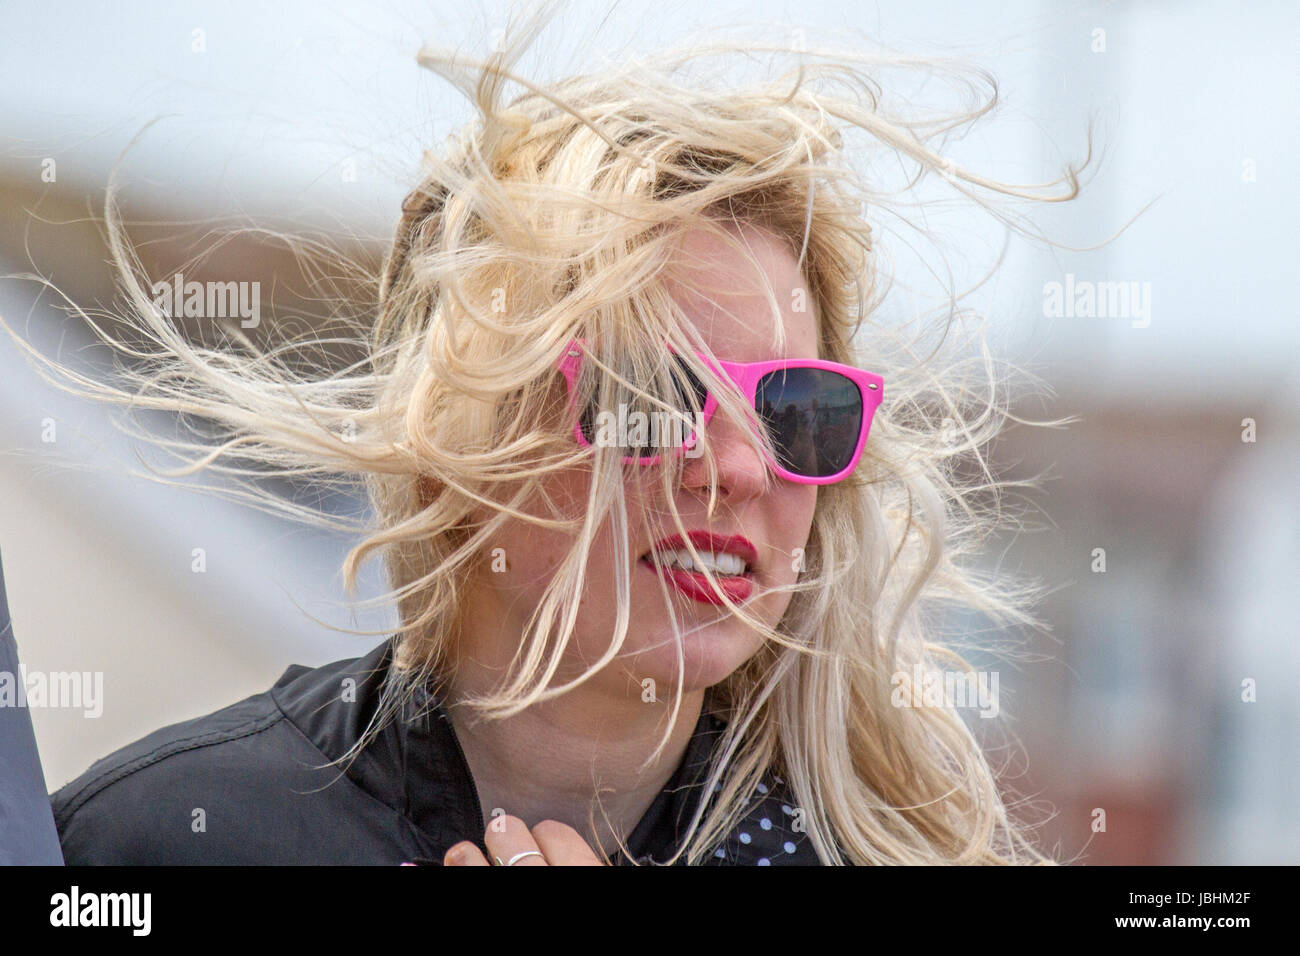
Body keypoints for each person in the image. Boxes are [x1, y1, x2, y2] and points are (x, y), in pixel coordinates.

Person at [17, 7, 1086, 865]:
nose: (739, 465)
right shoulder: (153, 843)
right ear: (463, 433)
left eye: (799, 408)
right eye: (652, 394)